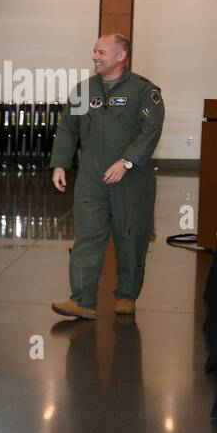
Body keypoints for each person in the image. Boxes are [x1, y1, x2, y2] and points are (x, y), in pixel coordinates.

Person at [50, 34, 164, 320]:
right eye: (94, 52)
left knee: (130, 238)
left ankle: (127, 295)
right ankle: (83, 301)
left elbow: (151, 129)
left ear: (121, 55)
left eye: (101, 52)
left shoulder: (144, 90)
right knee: (87, 237)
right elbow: (67, 129)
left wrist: (126, 162)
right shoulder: (83, 91)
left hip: (131, 179)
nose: (95, 57)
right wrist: (60, 164)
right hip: (91, 177)